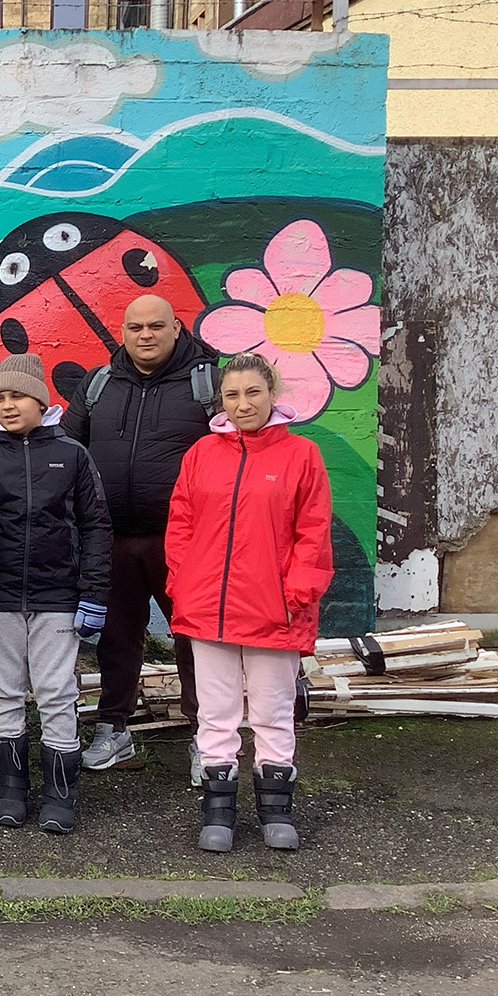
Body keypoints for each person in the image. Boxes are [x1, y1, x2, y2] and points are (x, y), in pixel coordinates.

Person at [166, 352, 332, 853]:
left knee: (273, 712)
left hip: (273, 612)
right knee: (214, 713)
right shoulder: (201, 454)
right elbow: (181, 524)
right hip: (206, 609)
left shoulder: (301, 455)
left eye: (253, 393)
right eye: (233, 395)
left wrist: (296, 594)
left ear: (271, 394)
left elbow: (314, 533)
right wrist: (183, 583)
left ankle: (276, 809)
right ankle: (218, 810)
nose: (243, 404)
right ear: (222, 399)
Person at [62, 295, 220, 783]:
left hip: (183, 541)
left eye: (156, 326)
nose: (145, 335)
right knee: (115, 639)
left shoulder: (209, 383)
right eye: (135, 327)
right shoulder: (99, 383)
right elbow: (67, 448)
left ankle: (206, 739)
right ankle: (113, 728)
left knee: (196, 640)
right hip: (109, 538)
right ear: (122, 332)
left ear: (177, 328)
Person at [0, 355, 112, 834]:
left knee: (55, 691)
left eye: (17, 396)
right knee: (1, 691)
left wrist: (93, 593)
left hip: (58, 596)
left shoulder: (71, 455)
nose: (7, 406)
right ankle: (10, 788)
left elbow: (96, 526)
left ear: (41, 401)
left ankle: (60, 795)